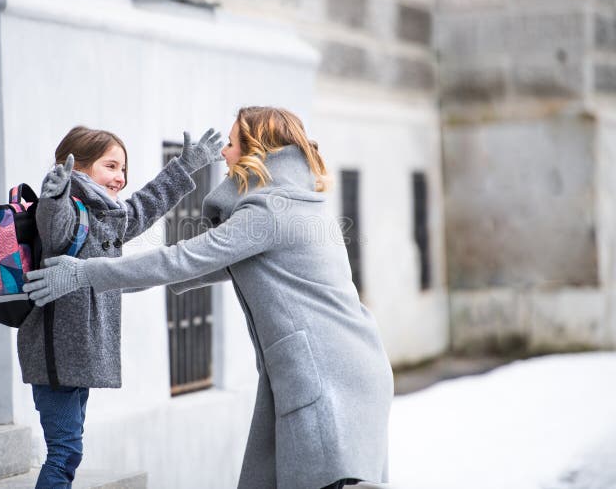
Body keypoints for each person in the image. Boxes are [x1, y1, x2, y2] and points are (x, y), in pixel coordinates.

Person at [24, 107, 394, 489]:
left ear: (257, 150)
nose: (225, 153)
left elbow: (183, 260)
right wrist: (97, 277)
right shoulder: (294, 201)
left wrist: (86, 273)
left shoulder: (269, 211)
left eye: (232, 144)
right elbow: (194, 266)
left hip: (328, 373)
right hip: (333, 366)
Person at [20, 125, 223, 488]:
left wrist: (185, 168)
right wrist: (55, 196)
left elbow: (145, 205)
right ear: (78, 167)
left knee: (68, 450)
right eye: (111, 166)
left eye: (123, 169)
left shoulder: (104, 217)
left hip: (76, 359)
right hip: (56, 359)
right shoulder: (71, 210)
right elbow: (55, 228)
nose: (120, 177)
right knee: (64, 453)